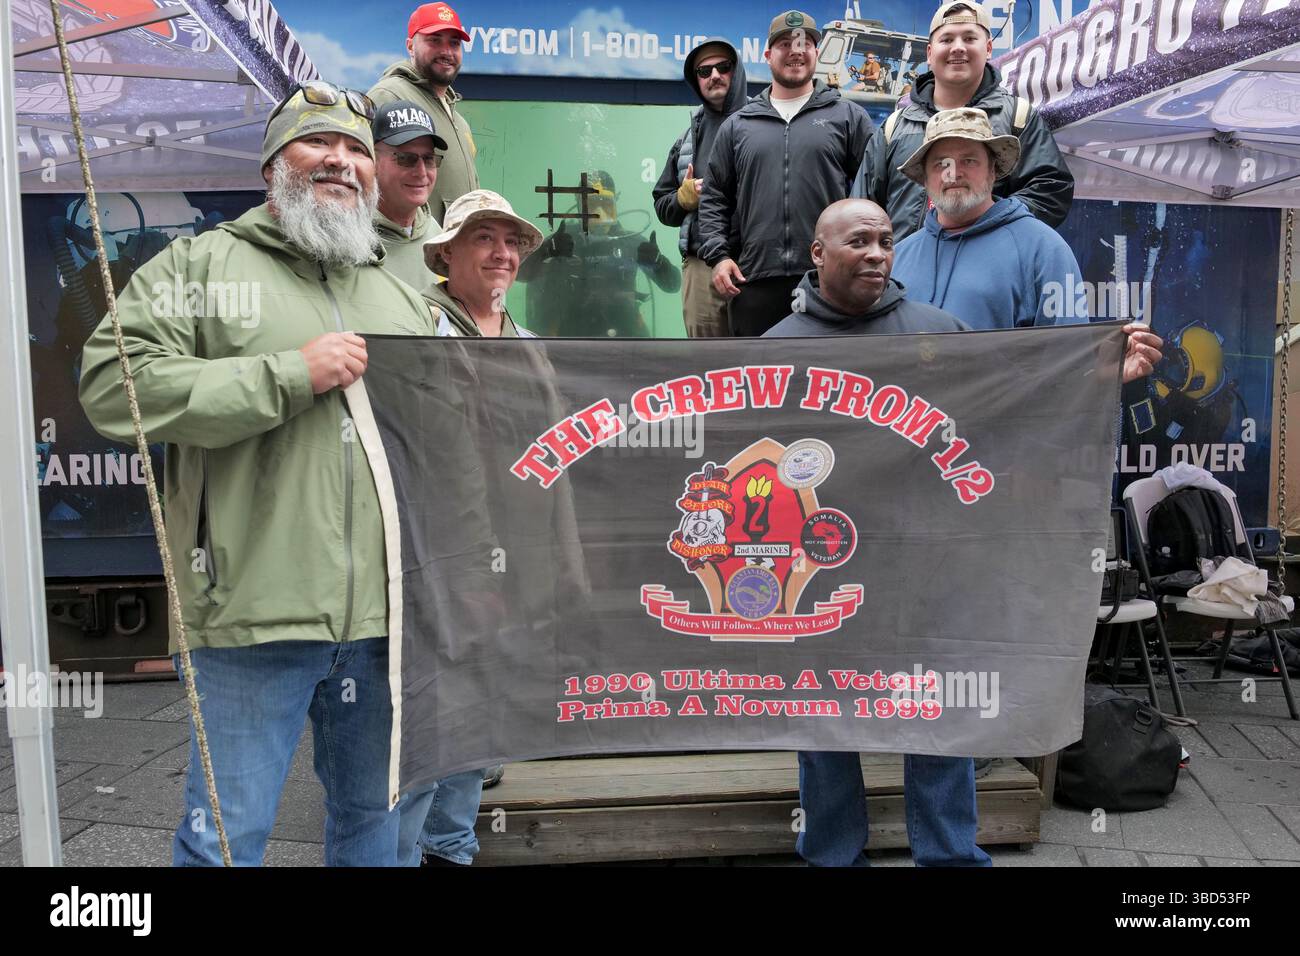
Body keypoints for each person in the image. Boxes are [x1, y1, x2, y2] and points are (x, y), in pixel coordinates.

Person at [78, 82, 435, 866]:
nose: (339, 161)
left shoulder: (399, 295)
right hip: (246, 615)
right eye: (317, 144)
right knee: (225, 843)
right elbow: (115, 387)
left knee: (377, 831)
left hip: (385, 627)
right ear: (274, 164)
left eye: (353, 149)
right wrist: (286, 375)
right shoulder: (197, 267)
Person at [766, 198, 988, 866]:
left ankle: (950, 856)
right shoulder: (774, 349)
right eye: (858, 240)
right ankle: (832, 854)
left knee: (939, 715)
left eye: (886, 241)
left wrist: (1096, 372)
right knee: (825, 719)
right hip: (824, 573)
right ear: (818, 253)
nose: (876, 253)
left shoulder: (939, 332)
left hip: (925, 564)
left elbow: (1007, 409)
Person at [398, 191, 584, 865]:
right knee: (444, 700)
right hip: (453, 550)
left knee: (487, 692)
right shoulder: (424, 330)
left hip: (520, 547)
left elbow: (555, 452)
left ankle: (449, 842)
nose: (501, 253)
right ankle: (425, 844)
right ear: (446, 254)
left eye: (510, 241)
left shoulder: (528, 342)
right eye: (483, 238)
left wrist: (563, 553)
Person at [891, 107, 1163, 382]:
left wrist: (1101, 374)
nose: (954, 173)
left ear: (993, 172)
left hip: (997, 425)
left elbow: (1069, 365)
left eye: (969, 161)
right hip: (904, 423)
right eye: (941, 163)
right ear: (925, 179)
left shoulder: (1044, 249)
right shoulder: (898, 257)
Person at [697, 10, 872, 337]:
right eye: (784, 43)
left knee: (831, 382)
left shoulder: (849, 117)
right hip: (755, 282)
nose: (796, 50)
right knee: (760, 383)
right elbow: (714, 198)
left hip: (829, 282)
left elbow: (875, 191)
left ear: (816, 53)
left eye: (805, 42)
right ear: (767, 55)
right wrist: (719, 256)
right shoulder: (738, 125)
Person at [857, 1, 1074, 242]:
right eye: (947, 40)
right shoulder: (893, 127)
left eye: (970, 38)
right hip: (903, 275)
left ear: (989, 48)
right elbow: (861, 210)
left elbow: (1051, 190)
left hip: (987, 275)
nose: (958, 48)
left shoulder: (1018, 117)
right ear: (929, 53)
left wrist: (988, 226)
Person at [652, 38, 749, 338]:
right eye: (704, 71)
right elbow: (662, 207)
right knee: (707, 369)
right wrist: (683, 199)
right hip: (702, 268)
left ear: (738, 72)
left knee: (763, 368)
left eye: (723, 67)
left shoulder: (766, 123)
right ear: (696, 81)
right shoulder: (687, 138)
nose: (714, 76)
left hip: (755, 265)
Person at [518, 170, 680, 337]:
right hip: (574, 342)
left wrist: (660, 263)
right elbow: (519, 273)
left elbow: (673, 285)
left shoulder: (632, 242)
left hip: (629, 340)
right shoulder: (561, 242)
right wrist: (545, 251)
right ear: (580, 205)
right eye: (592, 204)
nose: (600, 213)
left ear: (616, 202)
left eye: (606, 204)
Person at [369, 3, 477, 221]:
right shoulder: (390, 95)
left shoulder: (458, 118)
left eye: (454, 43)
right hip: (413, 246)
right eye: (434, 40)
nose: (446, 51)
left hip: (454, 248)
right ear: (410, 46)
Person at [371, 100, 448, 290]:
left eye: (429, 159)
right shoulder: (348, 241)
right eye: (406, 158)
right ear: (371, 161)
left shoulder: (438, 236)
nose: (421, 172)